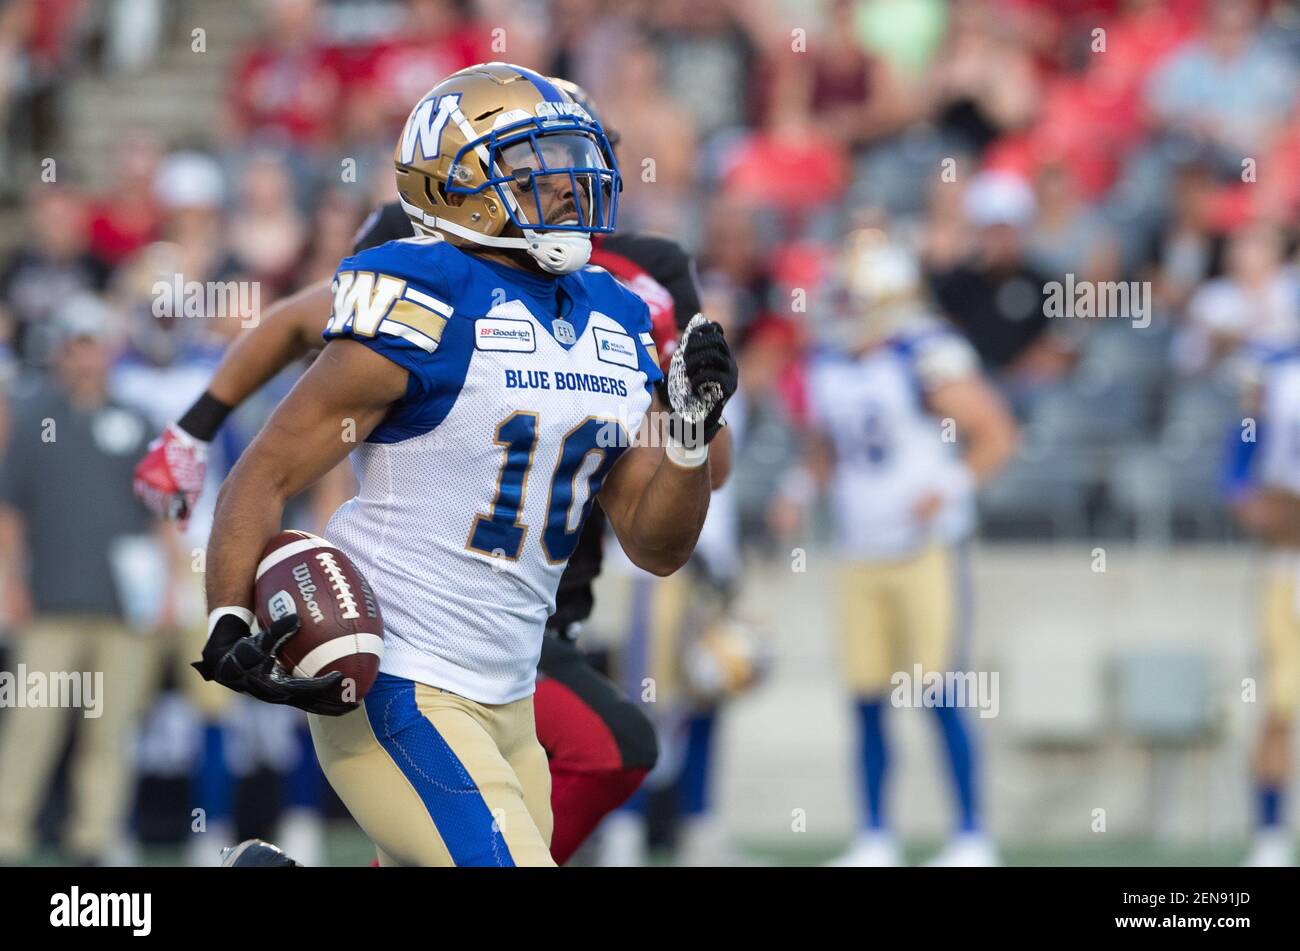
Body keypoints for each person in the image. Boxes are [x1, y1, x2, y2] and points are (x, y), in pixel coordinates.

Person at [134, 74, 733, 865]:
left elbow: (655, 546)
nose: (565, 181)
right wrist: (226, 616)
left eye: (570, 157)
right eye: (534, 163)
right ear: (454, 183)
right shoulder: (427, 292)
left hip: (513, 690)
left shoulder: (616, 312)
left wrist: (688, 438)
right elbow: (269, 469)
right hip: (403, 679)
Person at [771, 230, 1017, 866]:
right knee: (865, 696)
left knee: (937, 691)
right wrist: (798, 489)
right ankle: (876, 836)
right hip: (859, 549)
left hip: (924, 547)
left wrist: (951, 485)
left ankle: (971, 834)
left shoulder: (923, 351)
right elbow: (827, 448)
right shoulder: (827, 362)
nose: (840, 308)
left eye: (852, 297)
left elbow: (995, 432)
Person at [0, 294, 166, 864]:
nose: (86, 357)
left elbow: (162, 511)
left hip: (123, 606)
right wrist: (10, 583)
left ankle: (93, 838)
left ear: (110, 351)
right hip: (48, 600)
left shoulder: (139, 419)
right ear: (63, 353)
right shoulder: (33, 419)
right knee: (31, 727)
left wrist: (169, 587)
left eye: (95, 344)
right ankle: (9, 835)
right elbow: (10, 509)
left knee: (110, 730)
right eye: (77, 345)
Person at [1227, 343, 1300, 867]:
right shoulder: (1272, 368)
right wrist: (1254, 503)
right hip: (1287, 561)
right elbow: (1238, 462)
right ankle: (1271, 835)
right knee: (1279, 700)